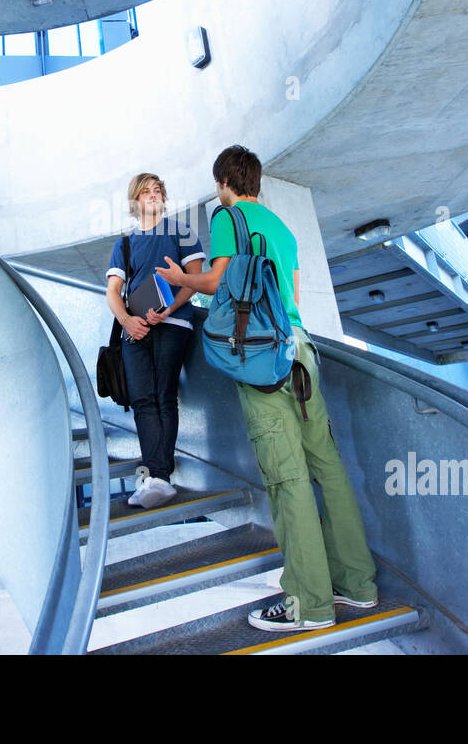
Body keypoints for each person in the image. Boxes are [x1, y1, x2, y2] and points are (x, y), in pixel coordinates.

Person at [154, 145, 379, 632]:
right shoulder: (283, 228)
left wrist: (180, 277)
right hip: (301, 349)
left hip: (263, 361)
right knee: (328, 468)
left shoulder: (228, 218)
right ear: (257, 181)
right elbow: (291, 300)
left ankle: (309, 603)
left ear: (224, 184)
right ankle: (357, 584)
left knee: (286, 478)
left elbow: (217, 279)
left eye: (218, 186)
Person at [106, 173, 206, 509]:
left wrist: (169, 309)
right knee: (141, 400)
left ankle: (160, 476)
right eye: (146, 191)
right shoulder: (124, 244)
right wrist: (127, 321)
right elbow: (113, 293)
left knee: (164, 396)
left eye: (158, 190)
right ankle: (153, 478)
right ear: (135, 201)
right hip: (134, 329)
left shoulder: (182, 231)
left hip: (173, 322)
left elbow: (195, 280)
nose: (153, 195)